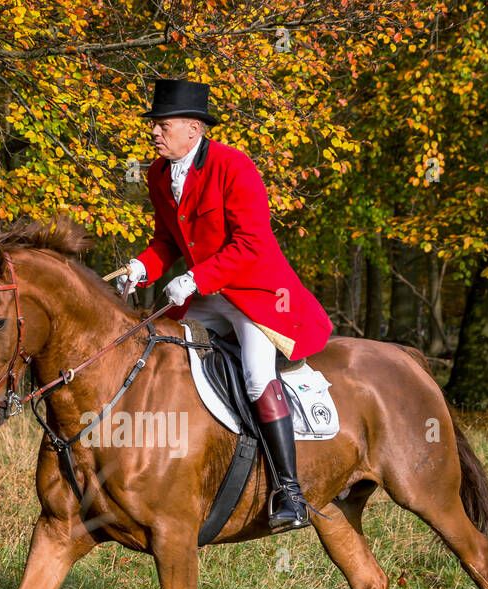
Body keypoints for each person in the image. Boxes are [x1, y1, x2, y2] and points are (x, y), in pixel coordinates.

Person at [118, 79, 333, 529]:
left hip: (253, 294)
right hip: (204, 296)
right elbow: (166, 241)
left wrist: (195, 278)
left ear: (194, 128)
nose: (155, 133)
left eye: (164, 125)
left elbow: (252, 243)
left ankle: (289, 491)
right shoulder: (159, 174)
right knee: (159, 349)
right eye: (154, 125)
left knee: (256, 374)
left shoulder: (234, 167)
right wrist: (142, 267)